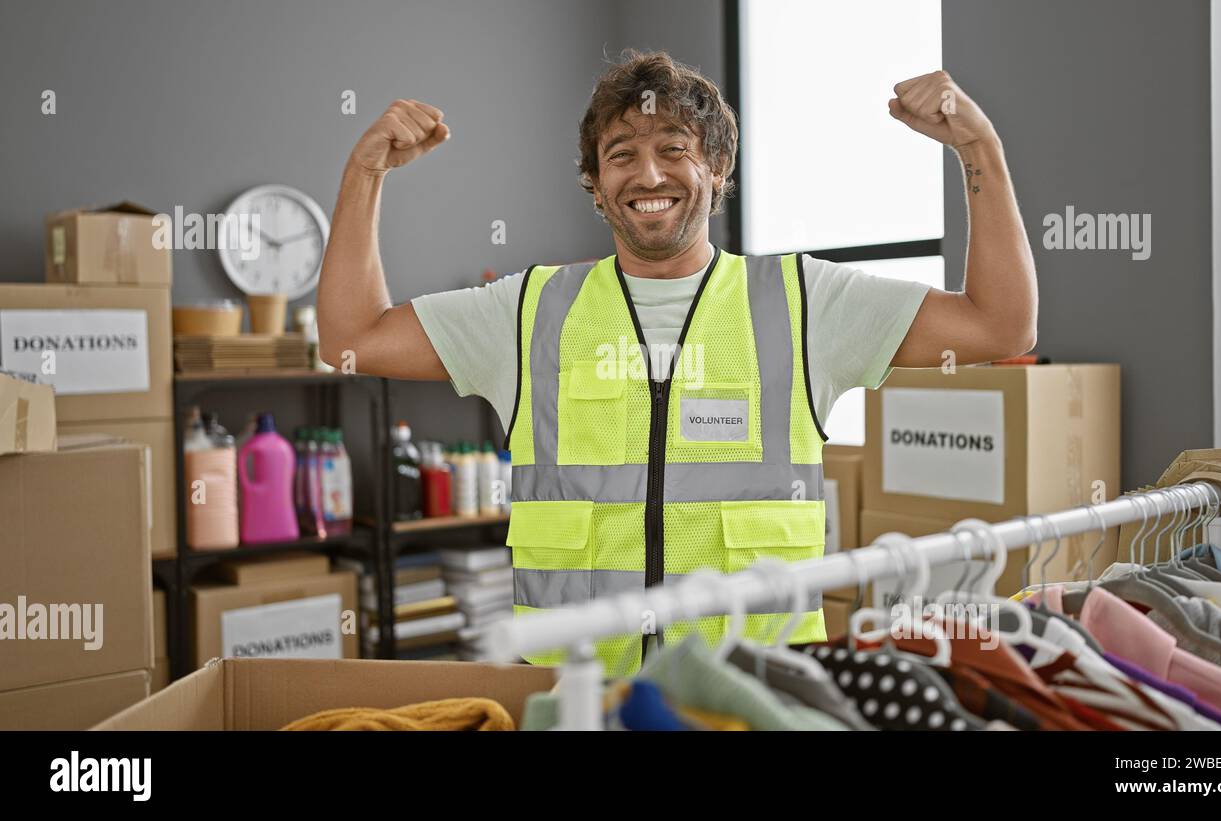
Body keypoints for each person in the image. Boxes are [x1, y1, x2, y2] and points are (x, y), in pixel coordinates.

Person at [317, 50, 1037, 674]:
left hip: (755, 697)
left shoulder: (805, 302)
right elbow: (349, 337)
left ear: (716, 166)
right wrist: (363, 172)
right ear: (596, 183)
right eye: (621, 153)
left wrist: (980, 148)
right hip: (574, 700)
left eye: (673, 147)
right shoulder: (528, 310)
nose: (647, 173)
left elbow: (1002, 324)